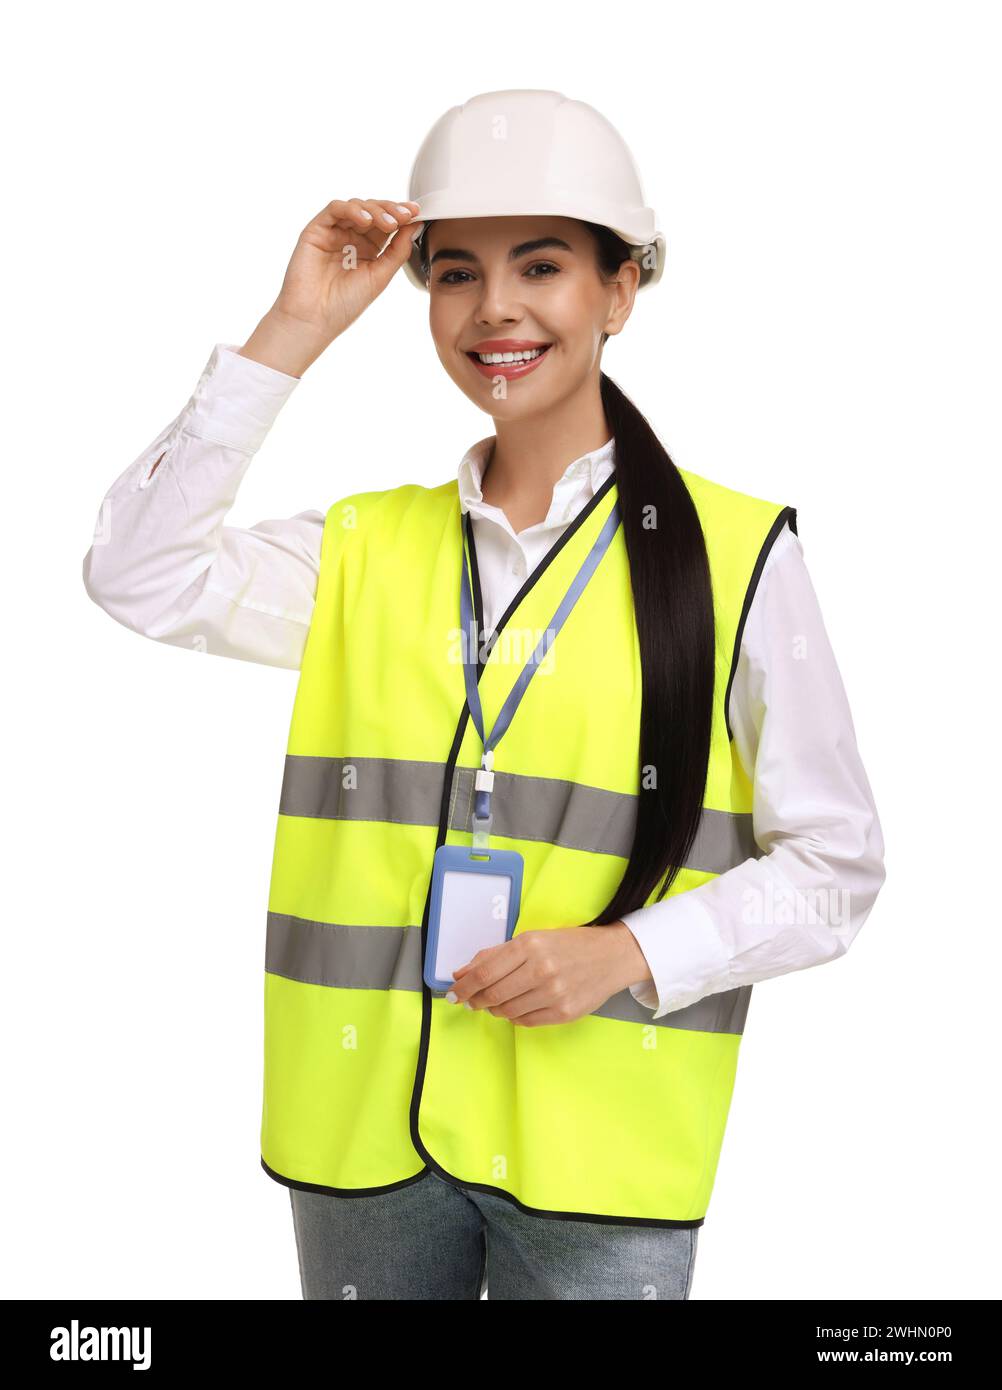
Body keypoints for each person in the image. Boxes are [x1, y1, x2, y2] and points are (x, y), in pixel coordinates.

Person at [82, 90, 886, 1300]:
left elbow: (838, 865)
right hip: (365, 1147)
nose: (495, 308)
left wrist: (625, 954)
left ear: (621, 290)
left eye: (544, 265)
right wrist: (292, 329)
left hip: (598, 1164)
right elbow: (137, 572)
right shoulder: (362, 550)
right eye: (456, 273)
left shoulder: (734, 557)